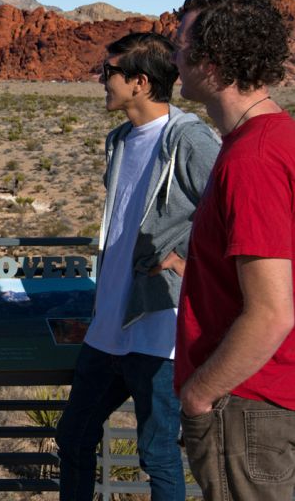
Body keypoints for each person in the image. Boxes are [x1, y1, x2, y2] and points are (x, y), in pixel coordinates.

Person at [56, 32, 220, 500]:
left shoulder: (187, 138)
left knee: (157, 453)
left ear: (140, 82)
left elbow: (231, 209)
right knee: (74, 436)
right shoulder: (119, 140)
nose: (100, 80)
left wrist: (186, 257)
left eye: (108, 72)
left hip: (157, 327)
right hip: (108, 325)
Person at [173, 0, 295, 500]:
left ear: (213, 60)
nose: (173, 58)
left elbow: (271, 312)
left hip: (245, 406)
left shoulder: (253, 160)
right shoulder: (275, 138)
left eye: (180, 46)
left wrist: (200, 395)